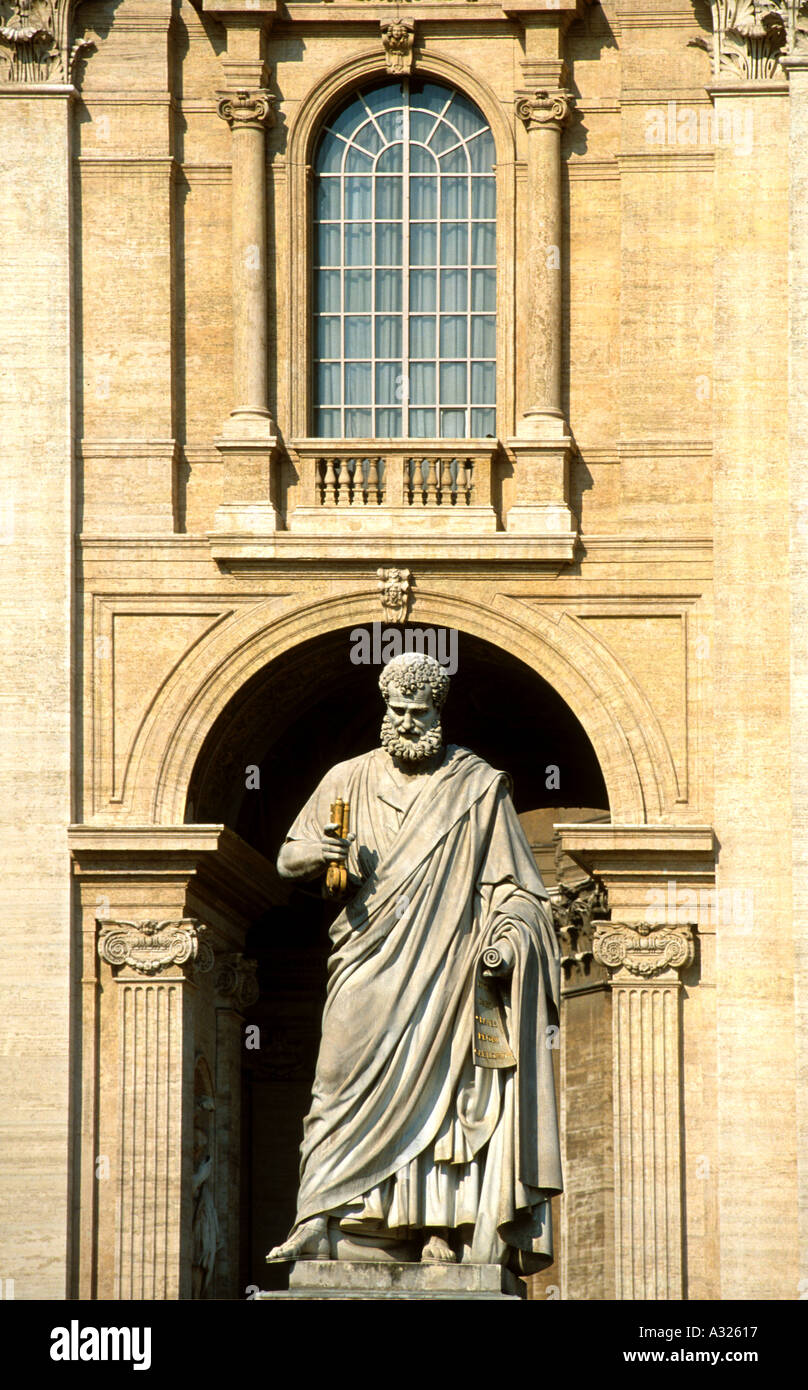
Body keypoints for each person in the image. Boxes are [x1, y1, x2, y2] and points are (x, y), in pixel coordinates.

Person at [267, 651, 562, 1272]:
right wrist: (315, 854)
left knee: (444, 1091)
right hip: (365, 961)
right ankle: (318, 1218)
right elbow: (287, 860)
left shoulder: (476, 787)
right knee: (335, 1083)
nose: (406, 722)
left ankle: (437, 1225)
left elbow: (518, 889)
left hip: (447, 968)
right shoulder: (345, 778)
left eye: (418, 711)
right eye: (397, 710)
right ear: (384, 709)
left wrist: (508, 940)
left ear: (439, 713)